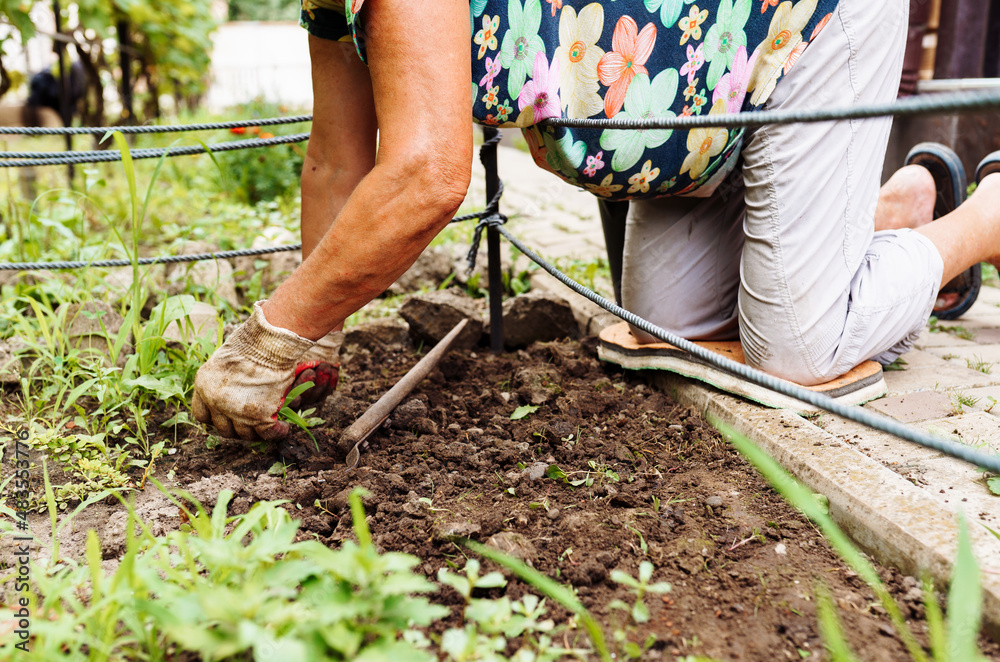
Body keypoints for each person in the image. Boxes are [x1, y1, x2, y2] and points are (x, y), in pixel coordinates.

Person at [193, 0, 1000, 440]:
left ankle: (982, 221)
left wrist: (274, 330)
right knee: (661, 327)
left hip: (803, 31)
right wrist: (313, 338)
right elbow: (338, 160)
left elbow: (427, 173)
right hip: (704, 97)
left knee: (795, 349)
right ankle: (890, 205)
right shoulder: (330, 9)